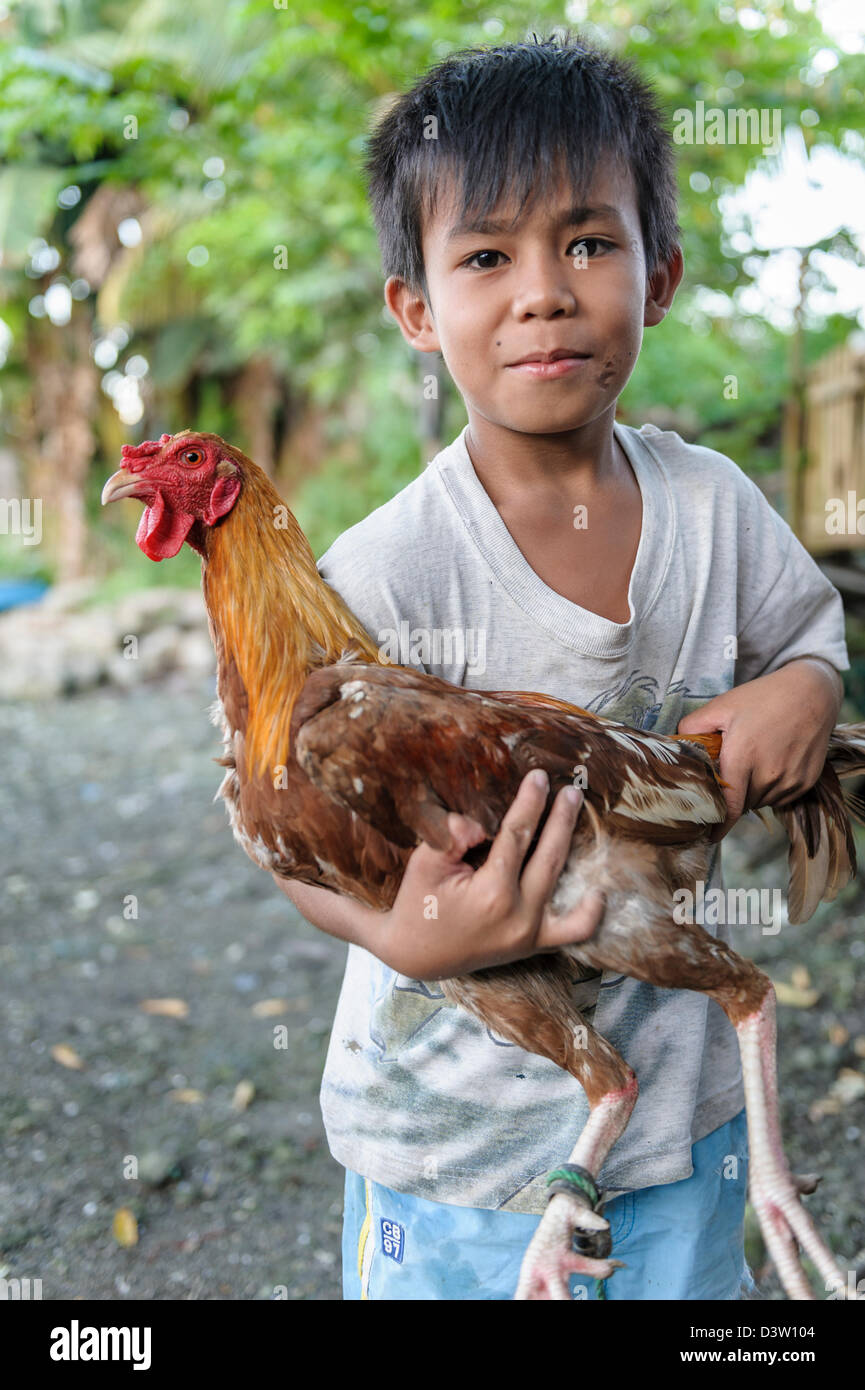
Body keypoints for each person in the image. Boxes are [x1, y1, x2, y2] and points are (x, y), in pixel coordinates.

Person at [273, 32, 848, 1300]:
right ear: (416, 310)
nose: (543, 290)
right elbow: (290, 834)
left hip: (669, 1135)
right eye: (486, 256)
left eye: (588, 242)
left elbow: (807, 633)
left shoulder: (713, 508)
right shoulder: (384, 575)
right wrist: (406, 930)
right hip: (448, 1142)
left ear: (661, 275)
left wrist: (805, 685)